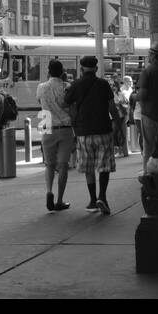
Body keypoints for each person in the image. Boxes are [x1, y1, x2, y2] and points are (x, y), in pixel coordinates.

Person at [64, 55, 120, 214]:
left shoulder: (75, 85)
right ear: (96, 68)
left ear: (81, 69)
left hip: (83, 132)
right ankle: (103, 196)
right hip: (103, 130)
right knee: (104, 166)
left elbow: (65, 102)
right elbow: (112, 108)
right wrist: (119, 128)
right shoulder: (103, 84)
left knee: (88, 166)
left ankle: (92, 200)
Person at [36, 59, 74, 212]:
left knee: (49, 164)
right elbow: (70, 104)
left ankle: (49, 191)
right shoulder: (67, 87)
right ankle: (59, 200)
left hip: (47, 126)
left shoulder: (41, 87)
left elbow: (39, 101)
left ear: (48, 71)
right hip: (64, 128)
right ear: (62, 72)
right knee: (63, 165)